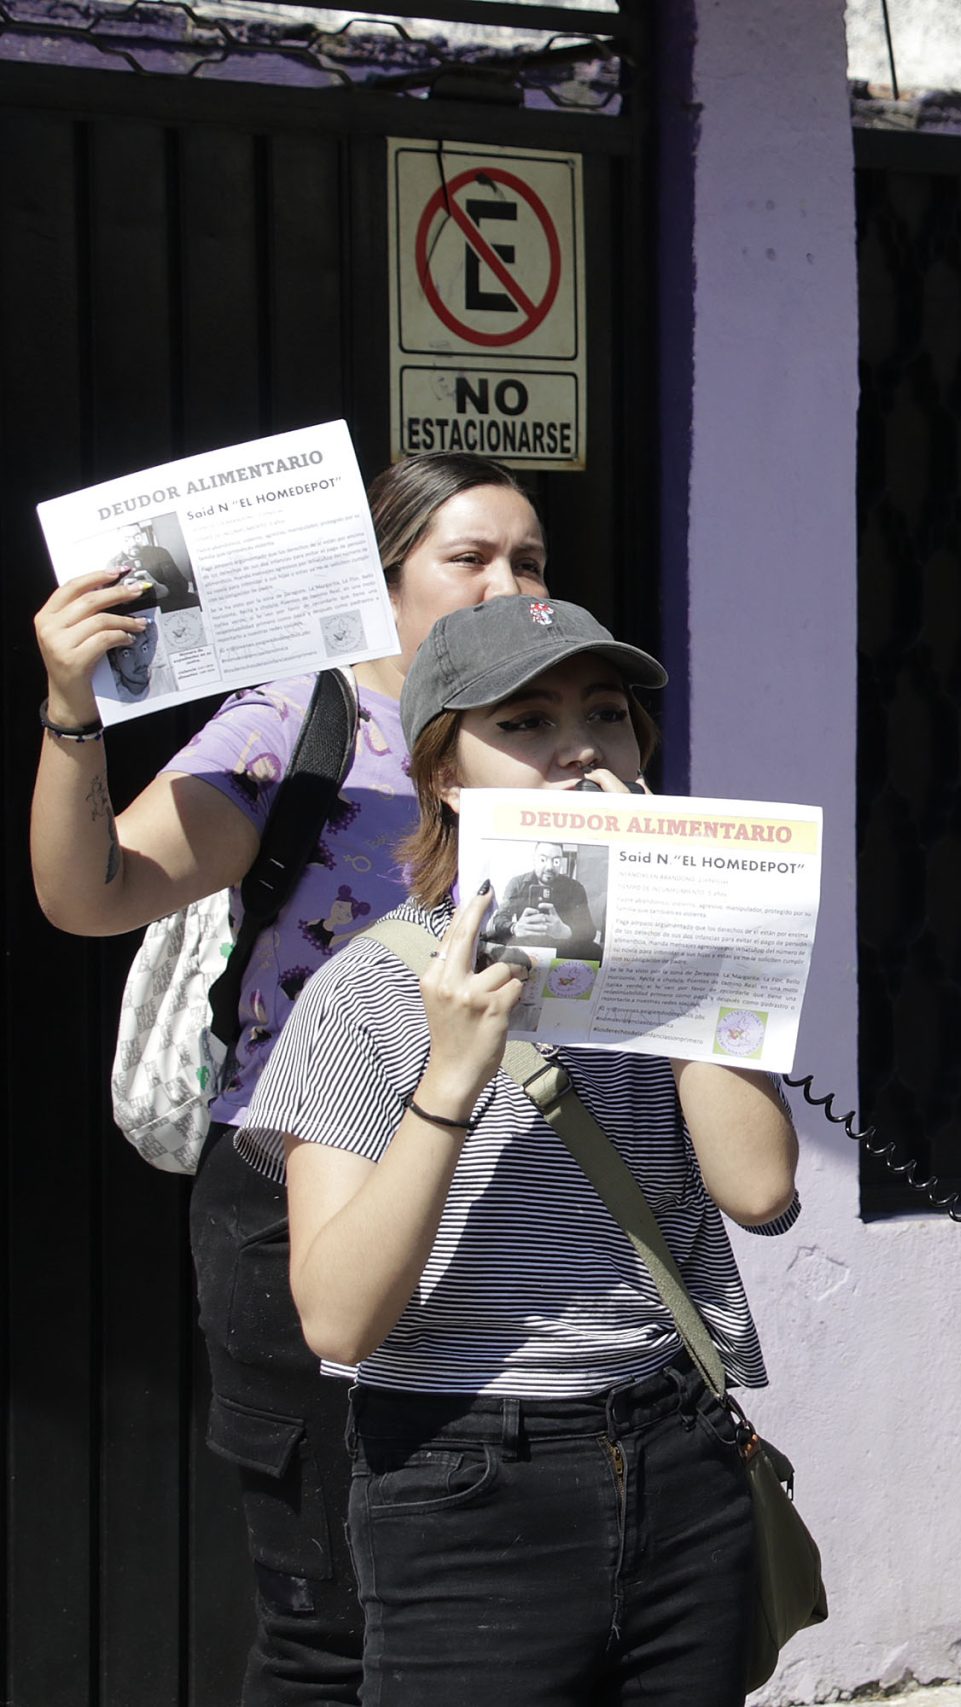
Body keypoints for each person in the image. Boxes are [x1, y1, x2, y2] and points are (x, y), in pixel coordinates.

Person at [30, 451, 551, 1706]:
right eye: (467, 557)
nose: (507, 585)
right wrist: (69, 707)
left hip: (497, 1196)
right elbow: (90, 891)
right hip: (295, 1202)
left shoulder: (557, 736)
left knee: (489, 1606)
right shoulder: (303, 718)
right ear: (383, 578)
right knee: (331, 1624)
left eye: (530, 562)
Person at [236, 594, 801, 1705]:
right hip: (465, 1480)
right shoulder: (368, 991)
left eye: (607, 716)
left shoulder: (685, 963)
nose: (581, 747)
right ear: (445, 774)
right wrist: (452, 1075)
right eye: (528, 724)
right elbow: (339, 1318)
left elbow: (761, 1185)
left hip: (676, 1452)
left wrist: (683, 944)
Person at [489, 839, 601, 958]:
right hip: (527, 948)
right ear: (534, 860)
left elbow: (589, 930)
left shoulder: (575, 888)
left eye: (556, 861)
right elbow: (499, 919)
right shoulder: (517, 884)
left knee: (595, 951)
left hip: (563, 949)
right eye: (543, 859)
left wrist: (566, 932)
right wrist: (514, 927)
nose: (550, 867)